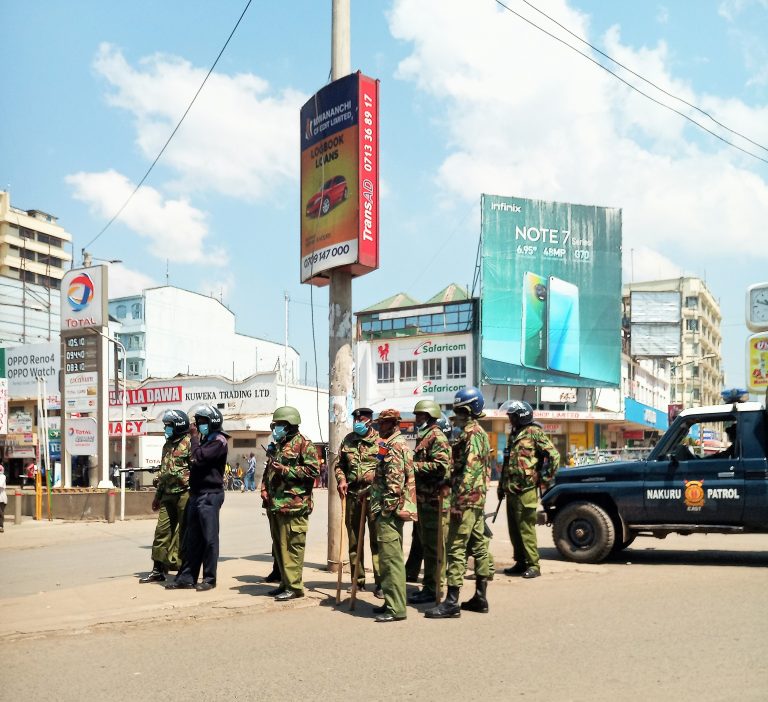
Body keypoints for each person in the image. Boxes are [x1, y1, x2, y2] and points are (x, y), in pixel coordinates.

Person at [426, 387, 493, 619]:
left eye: (461, 410)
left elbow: (471, 471)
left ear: (470, 410)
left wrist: (458, 503)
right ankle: (481, 597)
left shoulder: (473, 434)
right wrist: (446, 481)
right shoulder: (474, 433)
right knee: (480, 547)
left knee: (455, 548)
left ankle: (452, 602)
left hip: (466, 501)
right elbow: (461, 468)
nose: (458, 415)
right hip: (476, 499)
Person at [166, 405, 228, 592]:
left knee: (209, 539)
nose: (198, 425)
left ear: (212, 422)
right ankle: (186, 577)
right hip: (196, 493)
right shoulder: (205, 440)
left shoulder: (219, 441)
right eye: (198, 422)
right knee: (191, 539)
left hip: (210, 495)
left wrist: (193, 437)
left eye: (202, 422)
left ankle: (209, 578)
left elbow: (198, 458)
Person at [260, 406, 320, 601]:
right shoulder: (277, 444)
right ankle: (285, 583)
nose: (275, 428)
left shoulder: (304, 445)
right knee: (279, 548)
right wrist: (264, 487)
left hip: (294, 505)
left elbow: (313, 472)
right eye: (274, 425)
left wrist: (286, 470)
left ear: (290, 425)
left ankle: (295, 587)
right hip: (276, 505)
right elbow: (269, 469)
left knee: (293, 547)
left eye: (279, 425)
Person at [498, 400, 560, 579]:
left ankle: (534, 565)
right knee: (514, 531)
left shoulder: (534, 432)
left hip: (526, 491)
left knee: (526, 529)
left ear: (521, 416)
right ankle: (520, 562)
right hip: (511, 490)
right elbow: (508, 463)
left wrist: (544, 478)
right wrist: (501, 487)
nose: (510, 419)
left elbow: (554, 456)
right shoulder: (514, 434)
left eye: (512, 416)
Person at [369, 409, 416, 623]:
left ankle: (396, 608)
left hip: (388, 512)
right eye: (380, 423)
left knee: (391, 560)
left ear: (393, 424)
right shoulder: (391, 444)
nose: (380, 427)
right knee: (388, 559)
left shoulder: (394, 447)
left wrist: (385, 511)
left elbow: (394, 485)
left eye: (384, 423)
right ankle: (391, 602)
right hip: (387, 510)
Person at [334, 407, 383, 598]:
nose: (357, 423)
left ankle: (380, 583)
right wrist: (341, 480)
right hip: (353, 495)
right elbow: (339, 465)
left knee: (377, 542)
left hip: (374, 497)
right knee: (355, 541)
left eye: (361, 420)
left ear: (370, 421)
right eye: (355, 420)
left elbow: (388, 466)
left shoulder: (380, 441)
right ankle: (357, 580)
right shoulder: (348, 440)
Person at [408, 400, 451, 605]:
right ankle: (429, 586)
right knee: (427, 546)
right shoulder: (424, 437)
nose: (417, 419)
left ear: (430, 417)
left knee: (435, 548)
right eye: (417, 416)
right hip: (424, 500)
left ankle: (434, 588)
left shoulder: (437, 437)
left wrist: (413, 466)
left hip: (435, 501)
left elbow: (441, 465)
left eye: (421, 416)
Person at [140, 410, 191, 583]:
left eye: (168, 426)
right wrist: (157, 495)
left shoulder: (190, 443)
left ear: (177, 426)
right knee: (161, 532)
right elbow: (163, 472)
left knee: (185, 534)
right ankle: (158, 569)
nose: (166, 429)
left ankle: (184, 571)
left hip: (184, 494)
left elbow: (197, 470)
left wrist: (182, 476)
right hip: (167, 494)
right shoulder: (167, 446)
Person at [0, 464, 7, 533]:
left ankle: (1, 526)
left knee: (0, 513)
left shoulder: (2, 476)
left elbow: (0, 484)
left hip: (1, 498)